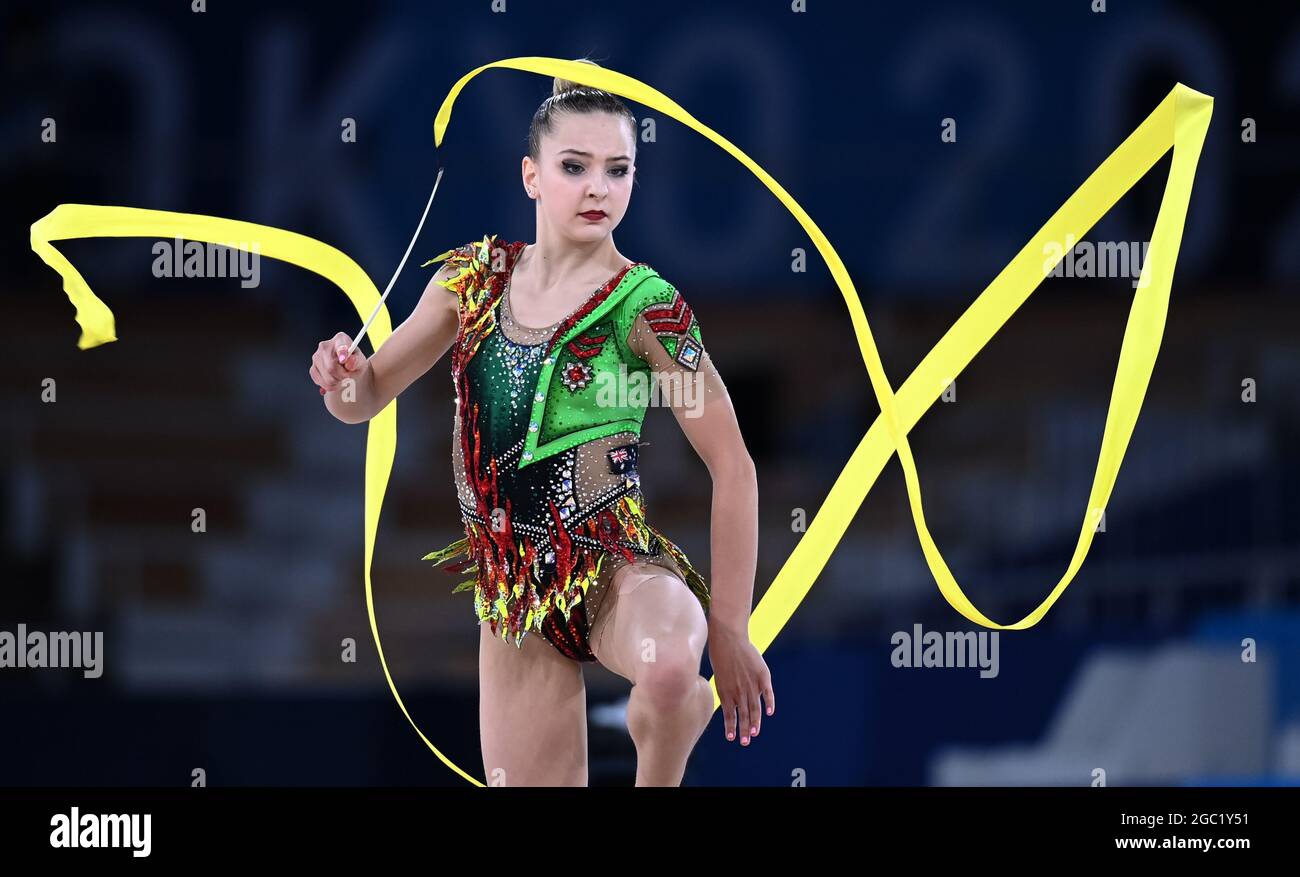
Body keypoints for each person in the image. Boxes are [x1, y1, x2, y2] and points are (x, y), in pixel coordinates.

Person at [310, 59, 772, 786]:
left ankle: (669, 727)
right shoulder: (471, 281)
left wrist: (733, 628)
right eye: (575, 166)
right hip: (515, 602)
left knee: (673, 660)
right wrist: (341, 373)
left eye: (618, 170)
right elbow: (364, 398)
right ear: (531, 176)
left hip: (616, 573)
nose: (598, 188)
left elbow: (733, 465)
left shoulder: (645, 305)